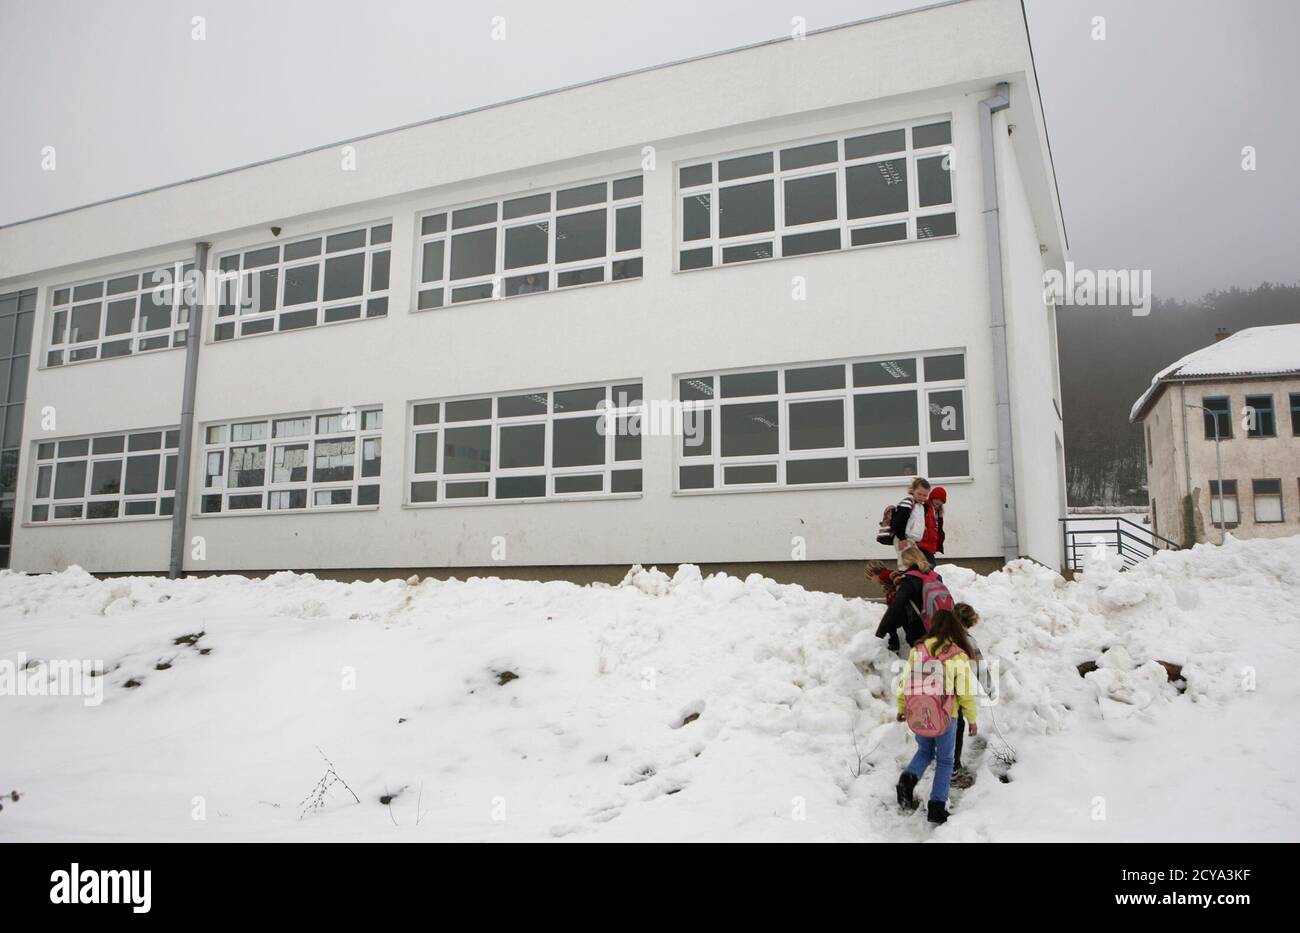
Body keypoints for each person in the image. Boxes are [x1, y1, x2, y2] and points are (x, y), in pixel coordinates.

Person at [895, 608, 978, 824]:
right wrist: (972, 718)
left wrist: (902, 707)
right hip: (946, 715)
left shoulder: (918, 649)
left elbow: (905, 681)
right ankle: (937, 807)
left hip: (919, 710)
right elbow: (966, 691)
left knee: (924, 750)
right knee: (945, 760)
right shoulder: (957, 654)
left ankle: (906, 782)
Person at [950, 602, 995, 787]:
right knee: (957, 727)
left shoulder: (938, 636)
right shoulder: (968, 641)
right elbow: (980, 668)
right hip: (956, 693)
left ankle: (942, 759)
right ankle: (953, 769)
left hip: (934, 691)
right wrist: (990, 689)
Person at [874, 546, 932, 650]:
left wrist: (881, 631)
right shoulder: (934, 576)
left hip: (917, 623)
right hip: (936, 619)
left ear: (907, 561)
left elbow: (897, 605)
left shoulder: (909, 579)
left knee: (921, 656)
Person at [889, 478, 930, 560]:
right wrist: (902, 538)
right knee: (906, 563)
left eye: (925, 495)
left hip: (912, 540)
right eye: (919, 494)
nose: (922, 497)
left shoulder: (920, 506)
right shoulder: (907, 503)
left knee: (916, 562)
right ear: (913, 491)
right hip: (903, 538)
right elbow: (898, 521)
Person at [917, 486, 947, 566]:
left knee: (927, 567)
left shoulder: (938, 512)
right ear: (932, 498)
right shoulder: (924, 507)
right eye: (936, 498)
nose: (938, 501)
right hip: (922, 543)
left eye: (941, 500)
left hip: (930, 544)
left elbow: (938, 529)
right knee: (931, 565)